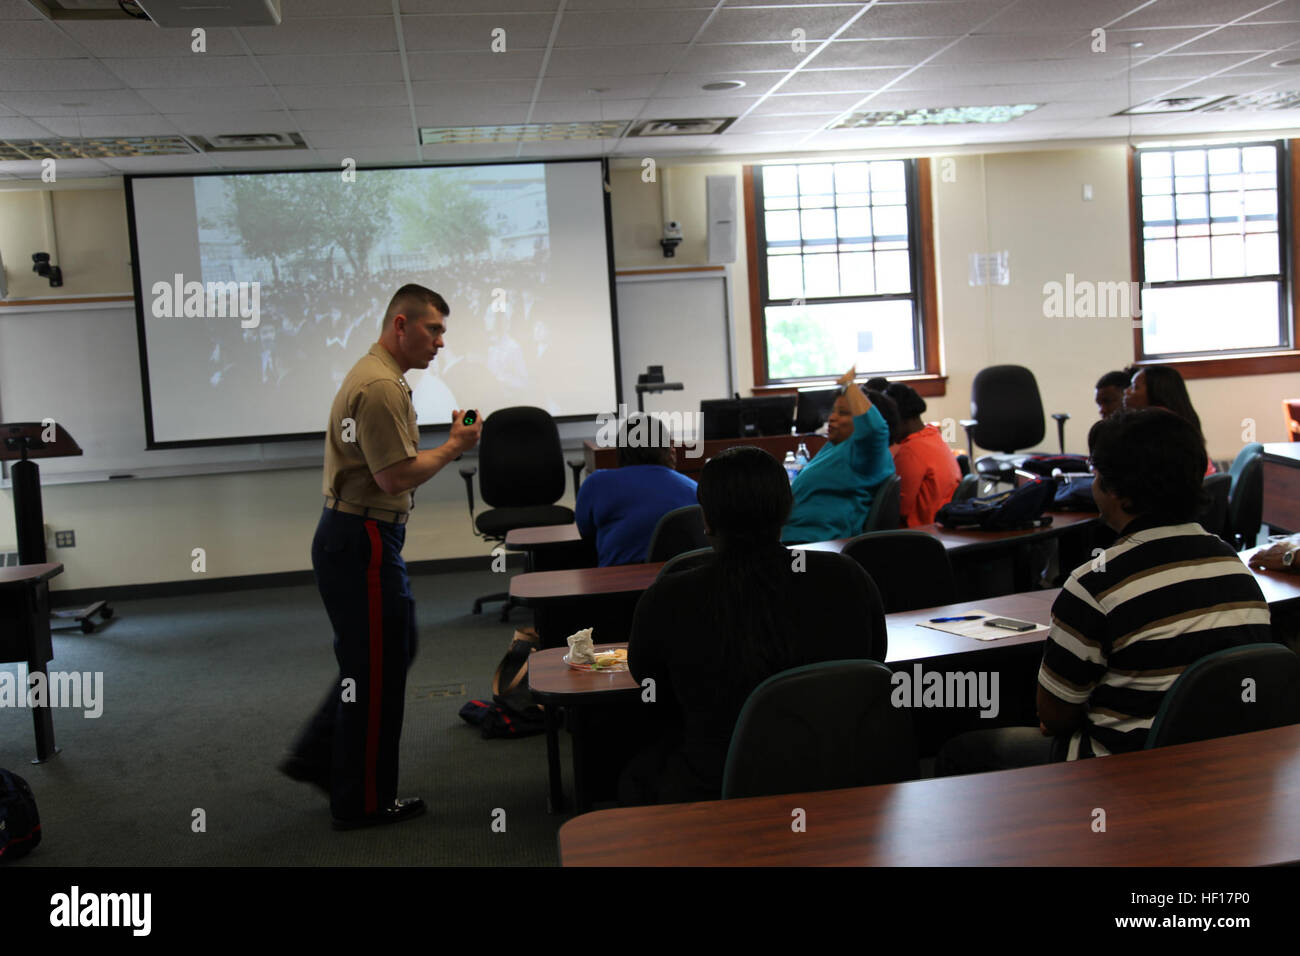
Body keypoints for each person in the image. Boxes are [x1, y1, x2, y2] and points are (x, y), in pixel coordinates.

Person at [935, 409, 1271, 775]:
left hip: (1128, 772)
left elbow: (1054, 716)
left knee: (962, 750)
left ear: (1116, 491)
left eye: (1096, 474)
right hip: (1224, 765)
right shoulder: (1234, 566)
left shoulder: (1095, 585)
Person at [280, 284, 482, 829]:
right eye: (433, 329)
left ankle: (320, 756)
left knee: (379, 657)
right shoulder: (380, 387)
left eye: (442, 331)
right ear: (401, 324)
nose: (440, 342)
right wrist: (454, 448)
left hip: (361, 535)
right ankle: (362, 802)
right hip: (361, 537)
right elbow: (393, 476)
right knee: (376, 671)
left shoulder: (381, 377)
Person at [620, 446, 886, 805]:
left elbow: (649, 683)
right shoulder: (847, 576)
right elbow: (873, 660)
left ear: (707, 521)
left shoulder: (669, 596)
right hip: (842, 771)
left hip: (716, 782)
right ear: (786, 509)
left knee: (634, 773)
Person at [781, 366, 896, 544]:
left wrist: (848, 384)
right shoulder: (836, 446)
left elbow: (875, 430)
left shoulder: (865, 456)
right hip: (794, 539)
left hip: (814, 548)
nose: (832, 418)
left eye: (842, 413)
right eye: (833, 411)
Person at [575, 414, 698, 566]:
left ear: (620, 450)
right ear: (668, 450)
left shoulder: (595, 484)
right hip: (677, 584)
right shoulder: (694, 489)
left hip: (616, 584)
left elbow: (586, 535)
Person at [883, 381, 961, 527]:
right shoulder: (933, 435)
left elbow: (898, 509)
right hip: (939, 526)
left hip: (921, 532)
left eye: (889, 422)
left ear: (901, 418)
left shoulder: (911, 450)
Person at [1123, 364, 1215, 474]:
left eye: (1134, 387)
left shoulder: (1156, 424)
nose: (1126, 391)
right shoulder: (1180, 419)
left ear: (1156, 393)